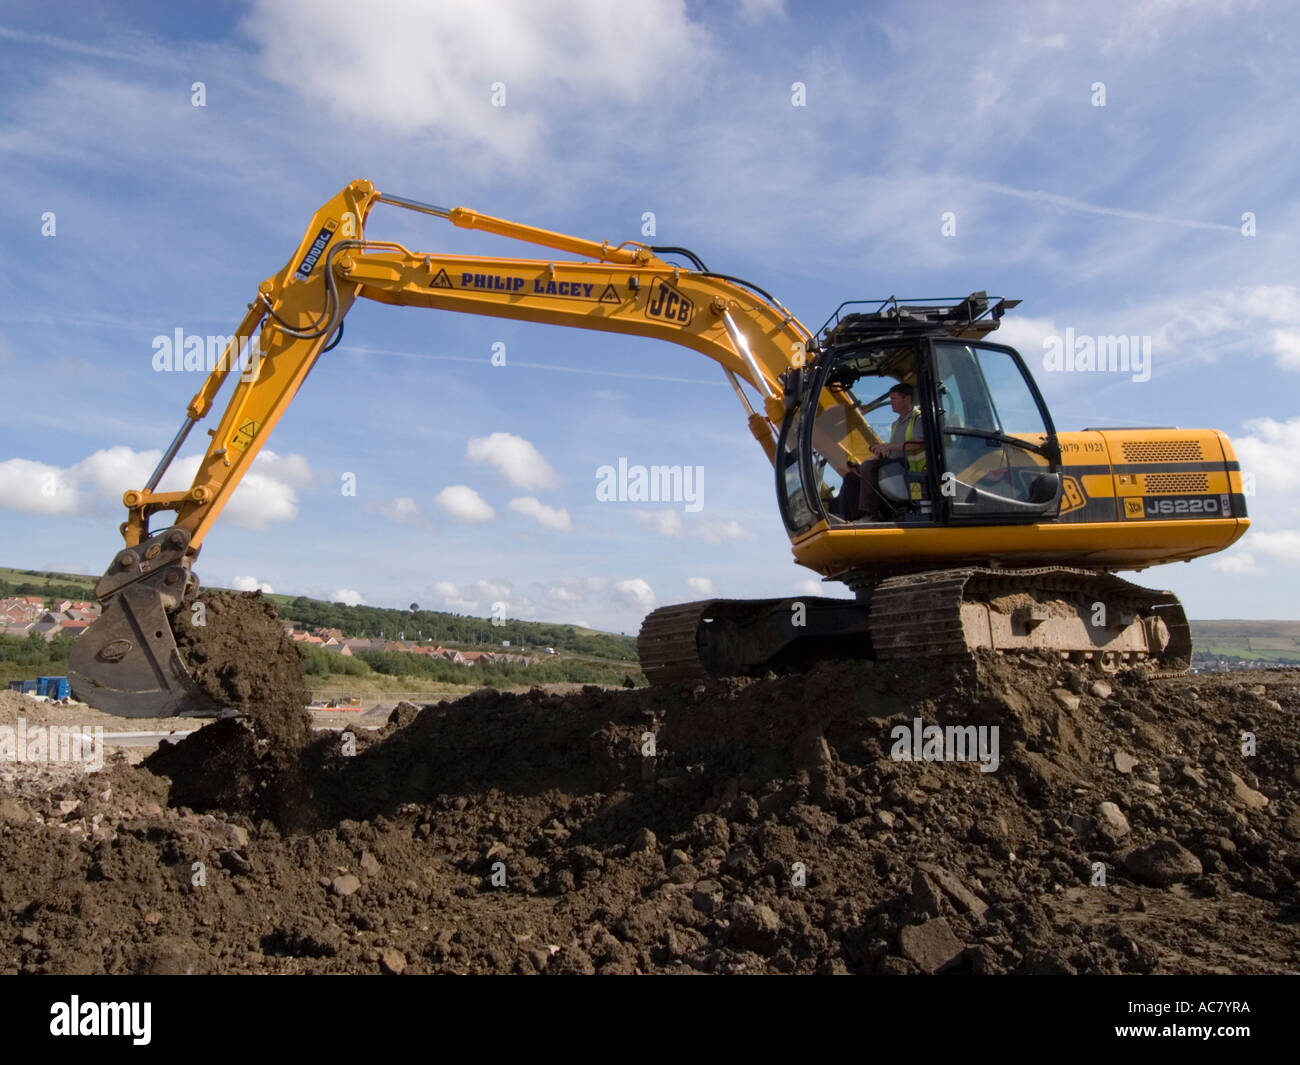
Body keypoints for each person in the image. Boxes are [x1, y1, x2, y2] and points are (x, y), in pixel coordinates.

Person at [832, 382, 926, 521]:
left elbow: (918, 444)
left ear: (907, 399)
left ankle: (870, 514)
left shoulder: (918, 418)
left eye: (894, 398)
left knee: (869, 468)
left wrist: (887, 447)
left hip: (911, 469)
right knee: (851, 477)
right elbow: (892, 451)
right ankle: (852, 517)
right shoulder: (896, 424)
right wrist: (877, 457)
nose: (891, 402)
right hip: (895, 465)